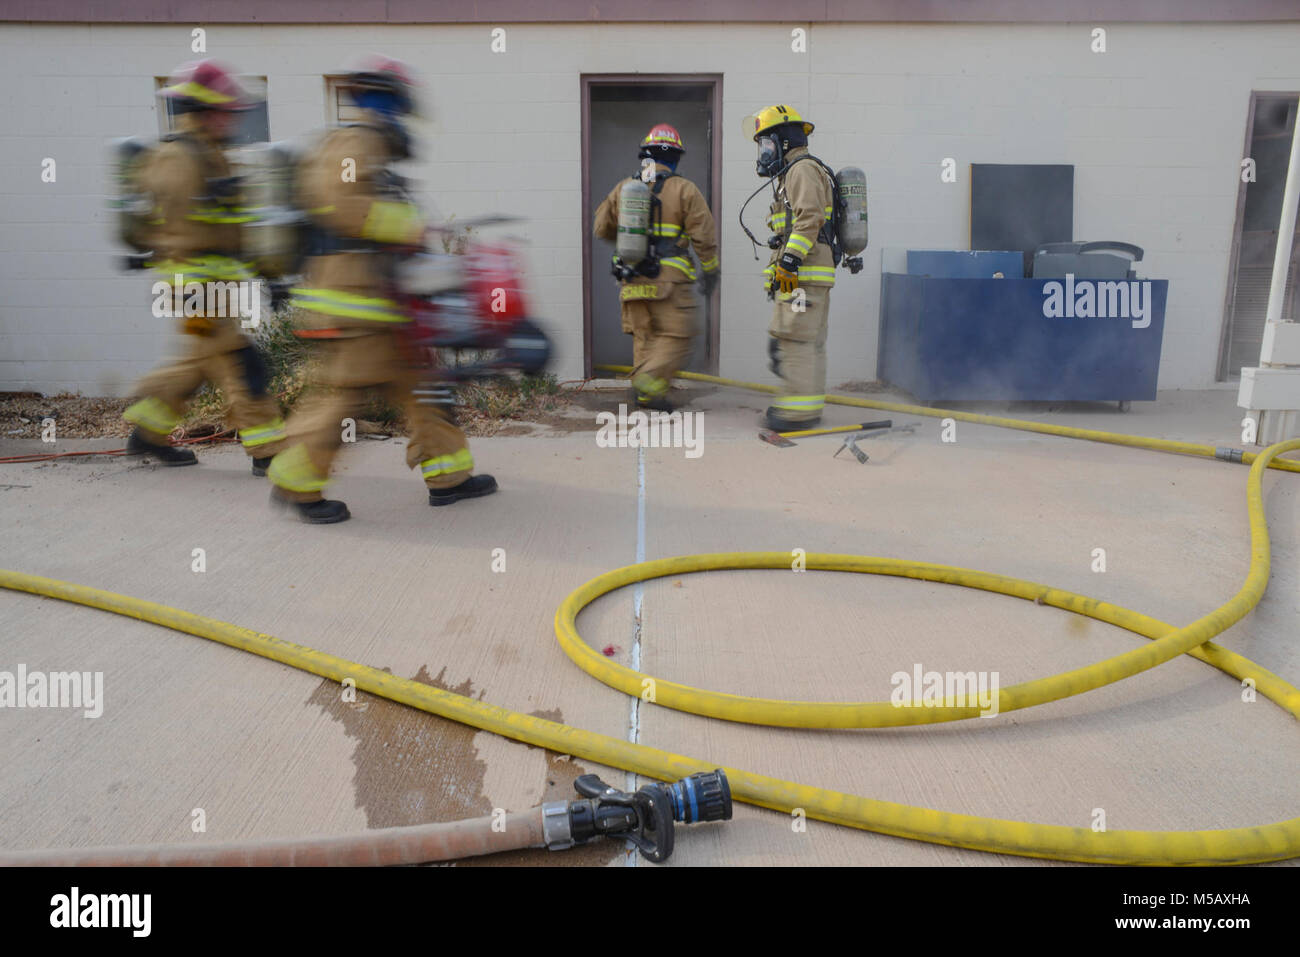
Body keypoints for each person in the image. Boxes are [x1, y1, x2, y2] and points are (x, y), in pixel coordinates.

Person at [266, 55, 496, 524]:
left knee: (425, 389)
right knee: (341, 396)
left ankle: (449, 477)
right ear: (390, 104)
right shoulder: (355, 142)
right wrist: (406, 226)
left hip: (381, 308)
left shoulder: (373, 153)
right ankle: (296, 485)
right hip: (351, 306)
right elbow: (338, 200)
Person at [121, 60, 287, 471]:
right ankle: (267, 452)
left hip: (214, 286)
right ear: (204, 112)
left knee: (195, 366)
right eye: (225, 113)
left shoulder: (213, 157)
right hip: (196, 289)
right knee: (241, 364)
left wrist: (270, 274)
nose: (232, 121)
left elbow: (236, 232)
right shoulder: (178, 159)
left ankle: (147, 432)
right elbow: (177, 231)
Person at [593, 123, 718, 411]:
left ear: (645, 156)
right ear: (675, 157)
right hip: (669, 280)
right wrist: (710, 270)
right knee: (679, 335)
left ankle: (649, 396)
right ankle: (647, 382)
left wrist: (629, 240)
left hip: (631, 278)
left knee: (645, 338)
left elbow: (601, 228)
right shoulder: (685, 189)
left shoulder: (625, 187)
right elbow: (704, 235)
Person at [749, 105, 837, 431]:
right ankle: (807, 407)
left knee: (796, 338)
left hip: (804, 275)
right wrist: (777, 275)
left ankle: (796, 413)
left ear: (784, 141)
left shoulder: (801, 170)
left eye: (767, 143)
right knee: (801, 337)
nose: (763, 152)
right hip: (800, 275)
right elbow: (785, 237)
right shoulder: (791, 175)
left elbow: (809, 220)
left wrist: (787, 264)